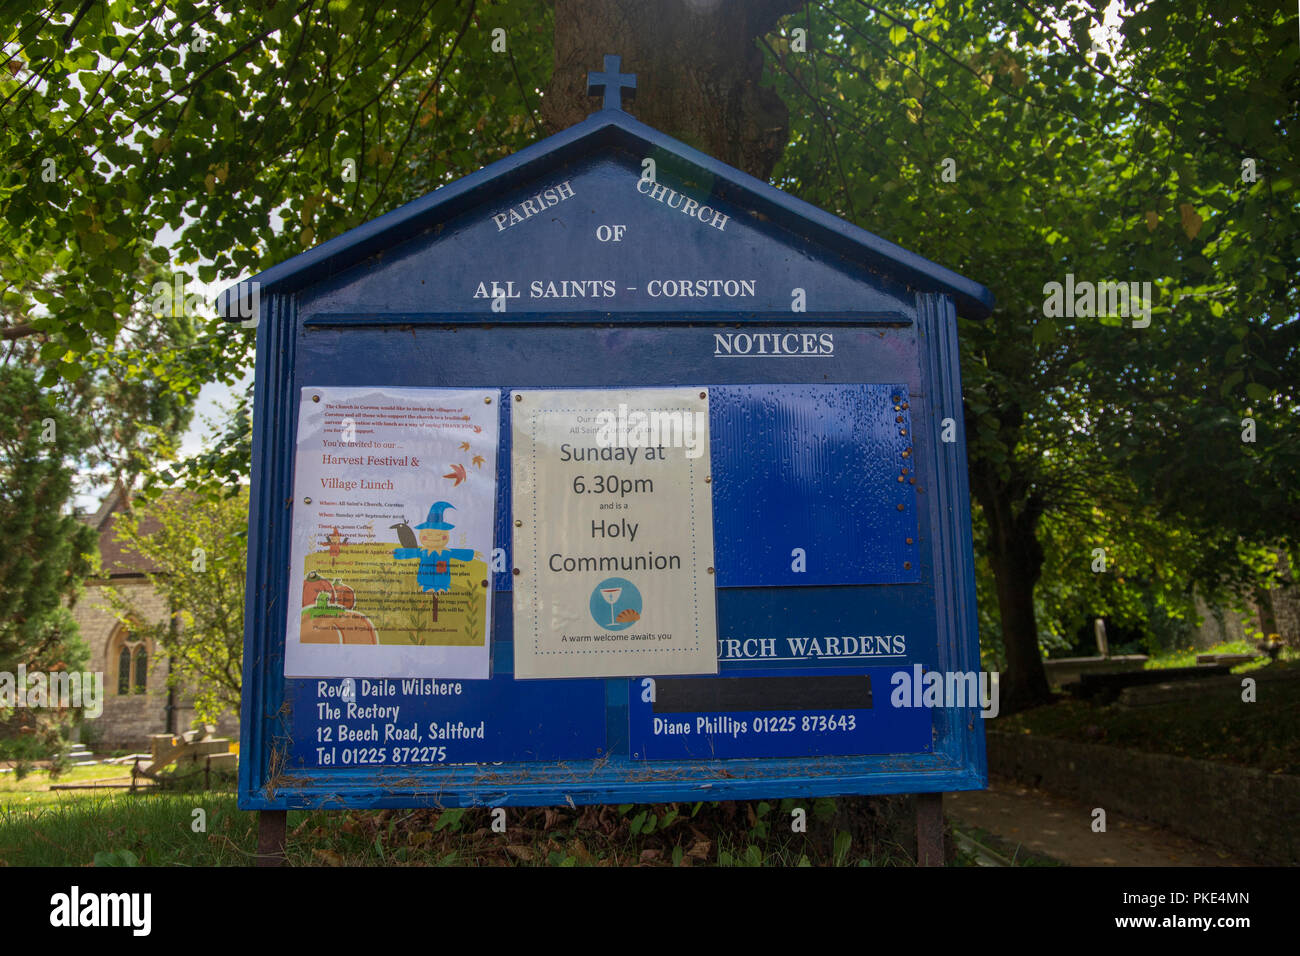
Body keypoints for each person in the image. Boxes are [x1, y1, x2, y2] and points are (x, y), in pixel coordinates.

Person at [392, 501, 480, 622]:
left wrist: (472, 554)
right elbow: (409, 553)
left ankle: (435, 622)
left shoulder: (446, 552)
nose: (434, 537)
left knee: (436, 605)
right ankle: (429, 622)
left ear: (445, 535)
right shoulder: (422, 551)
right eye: (428, 535)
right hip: (424, 581)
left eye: (439, 534)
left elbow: (458, 553)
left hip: (442, 582)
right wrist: (395, 553)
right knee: (424, 604)